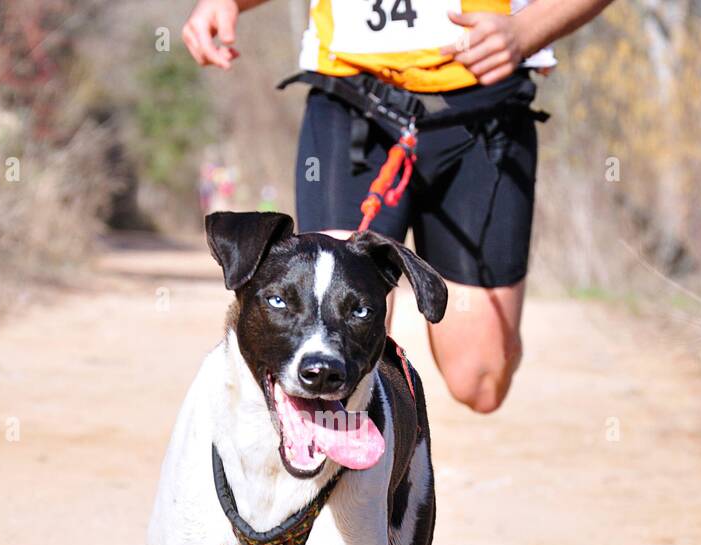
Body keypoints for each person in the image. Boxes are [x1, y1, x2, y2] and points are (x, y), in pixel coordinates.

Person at [182, 0, 616, 413]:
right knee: (331, 325)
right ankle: (352, 477)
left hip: (484, 112)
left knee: (479, 381)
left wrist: (526, 31)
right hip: (350, 101)